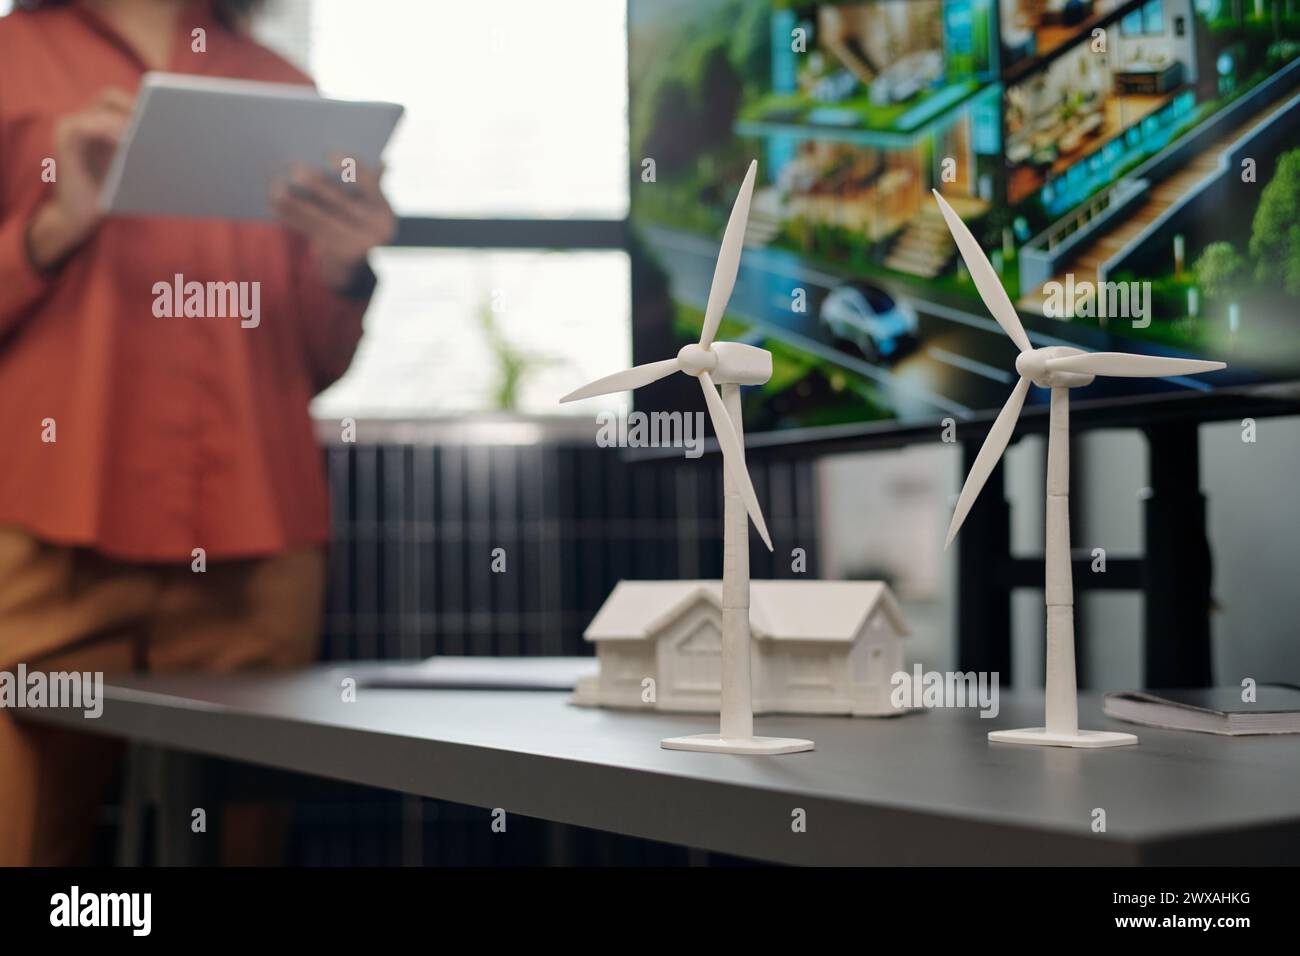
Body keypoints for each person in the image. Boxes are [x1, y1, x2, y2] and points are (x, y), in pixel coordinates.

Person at [0, 0, 396, 865]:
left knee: (238, 840)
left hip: (255, 536)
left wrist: (343, 265)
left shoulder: (286, 92)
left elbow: (317, 362)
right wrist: (55, 226)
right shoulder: (9, 61)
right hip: (42, 528)